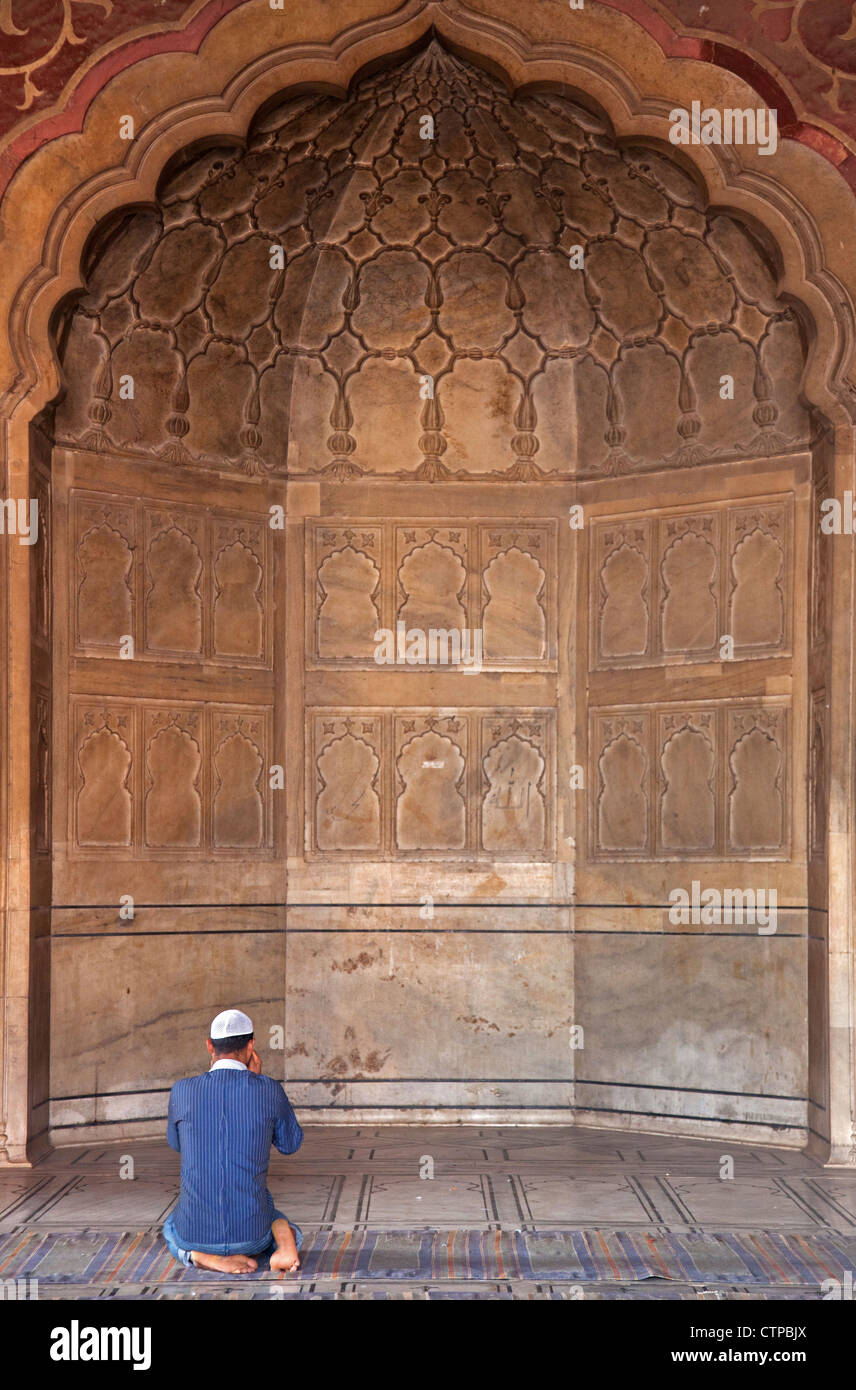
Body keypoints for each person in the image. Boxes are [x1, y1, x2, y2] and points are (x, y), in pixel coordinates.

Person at [162, 1008, 304, 1274]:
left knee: (170, 1226)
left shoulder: (182, 1090)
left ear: (209, 1046)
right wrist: (259, 1082)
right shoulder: (269, 1088)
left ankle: (201, 1257)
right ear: (251, 1046)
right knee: (275, 1216)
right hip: (252, 1236)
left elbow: (177, 1143)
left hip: (196, 1232)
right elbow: (290, 1144)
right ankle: (284, 1245)